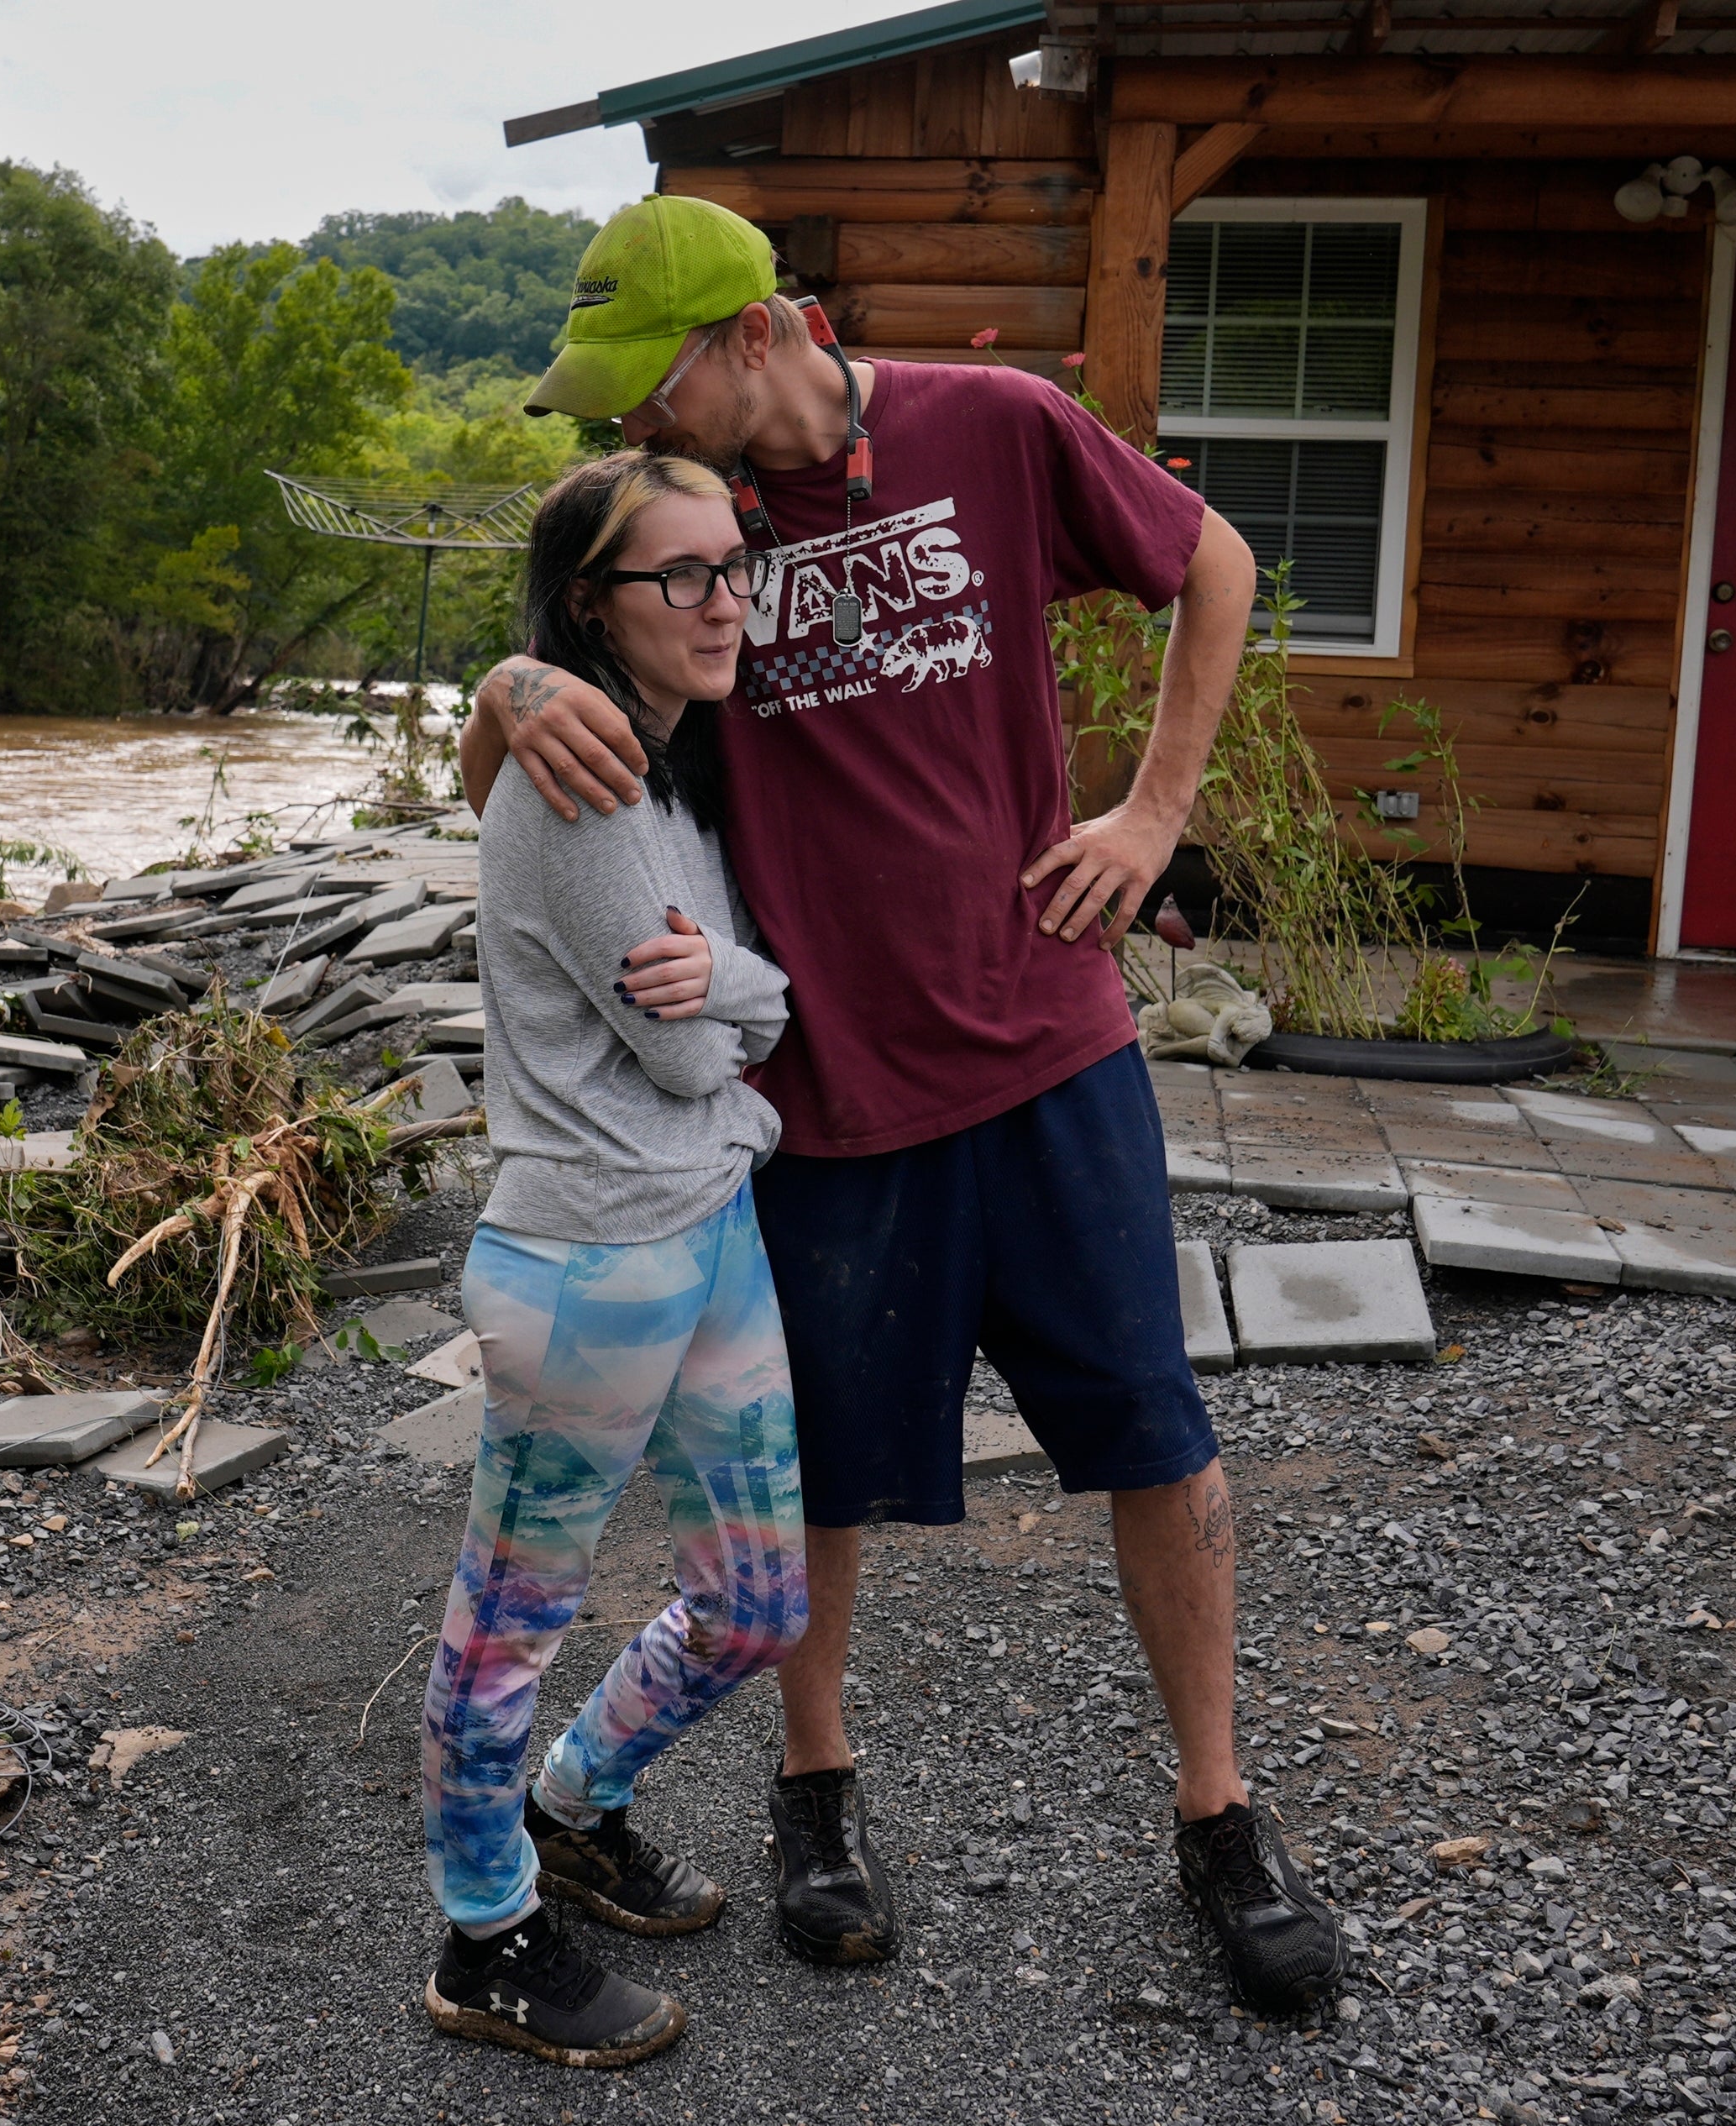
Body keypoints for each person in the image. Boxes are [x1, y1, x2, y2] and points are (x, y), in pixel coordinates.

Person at [459, 193, 1347, 2018]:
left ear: (763, 332)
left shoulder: (992, 426)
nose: (633, 426)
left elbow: (1218, 563)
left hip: (1049, 1045)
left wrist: (1156, 812)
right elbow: (510, 728)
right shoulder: (684, 537)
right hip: (825, 1084)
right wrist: (510, 674)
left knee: (1156, 1436)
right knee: (832, 1478)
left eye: (654, 384)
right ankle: (817, 1799)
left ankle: (1221, 1814)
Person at [413, 449, 810, 2071]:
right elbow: (691, 1052)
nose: (724, 604)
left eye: (736, 566)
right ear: (593, 603)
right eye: (680, 577)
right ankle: (485, 1932)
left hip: (707, 1231)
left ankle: (577, 1803)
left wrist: (734, 986)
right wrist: (759, 996)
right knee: (506, 1622)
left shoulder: (672, 760)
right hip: (586, 1262)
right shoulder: (578, 784)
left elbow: (717, 1011)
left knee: (761, 1599)